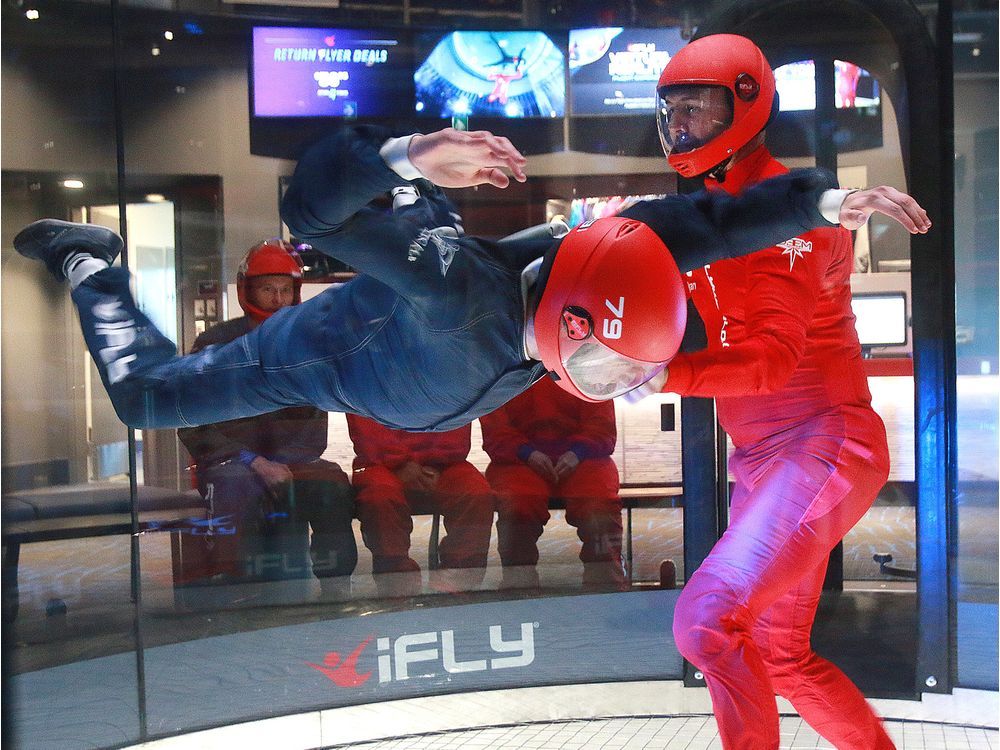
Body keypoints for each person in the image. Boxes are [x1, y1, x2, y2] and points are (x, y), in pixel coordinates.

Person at [12, 124, 929, 435]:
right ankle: (89, 261)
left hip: (436, 332)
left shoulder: (617, 258)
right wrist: (402, 154)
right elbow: (314, 220)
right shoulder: (459, 296)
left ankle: (422, 189)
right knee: (143, 401)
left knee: (432, 243)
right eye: (607, 366)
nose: (604, 386)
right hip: (342, 355)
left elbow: (715, 222)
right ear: (569, 324)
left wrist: (823, 206)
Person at [630, 34, 906, 750]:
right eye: (673, 111)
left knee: (706, 620)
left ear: (746, 107)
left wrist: (662, 374)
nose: (681, 127)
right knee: (779, 653)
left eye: (698, 109)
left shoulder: (796, 217)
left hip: (823, 446)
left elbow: (770, 364)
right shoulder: (713, 213)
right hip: (766, 459)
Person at [176, 240, 357, 597]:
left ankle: (337, 586)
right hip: (230, 462)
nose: (277, 299)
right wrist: (254, 461)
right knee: (239, 488)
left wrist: (284, 461)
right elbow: (192, 422)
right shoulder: (216, 343)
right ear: (248, 290)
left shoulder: (309, 343)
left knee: (331, 484)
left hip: (292, 461)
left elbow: (313, 415)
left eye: (285, 290)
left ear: (296, 292)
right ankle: (235, 586)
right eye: (267, 289)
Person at [480, 375, 623, 590]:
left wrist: (578, 452)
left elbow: (601, 421)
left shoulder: (585, 360)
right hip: (518, 459)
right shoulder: (502, 363)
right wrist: (526, 453)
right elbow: (496, 428)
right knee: (518, 504)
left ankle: (606, 585)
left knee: (598, 505)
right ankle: (519, 586)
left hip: (585, 458)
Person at [347, 415, 494, 597]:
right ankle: (396, 584)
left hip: (444, 464)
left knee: (476, 494)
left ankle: (459, 582)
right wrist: (401, 463)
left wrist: (438, 460)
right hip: (380, 462)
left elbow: (457, 414)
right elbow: (364, 423)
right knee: (379, 499)